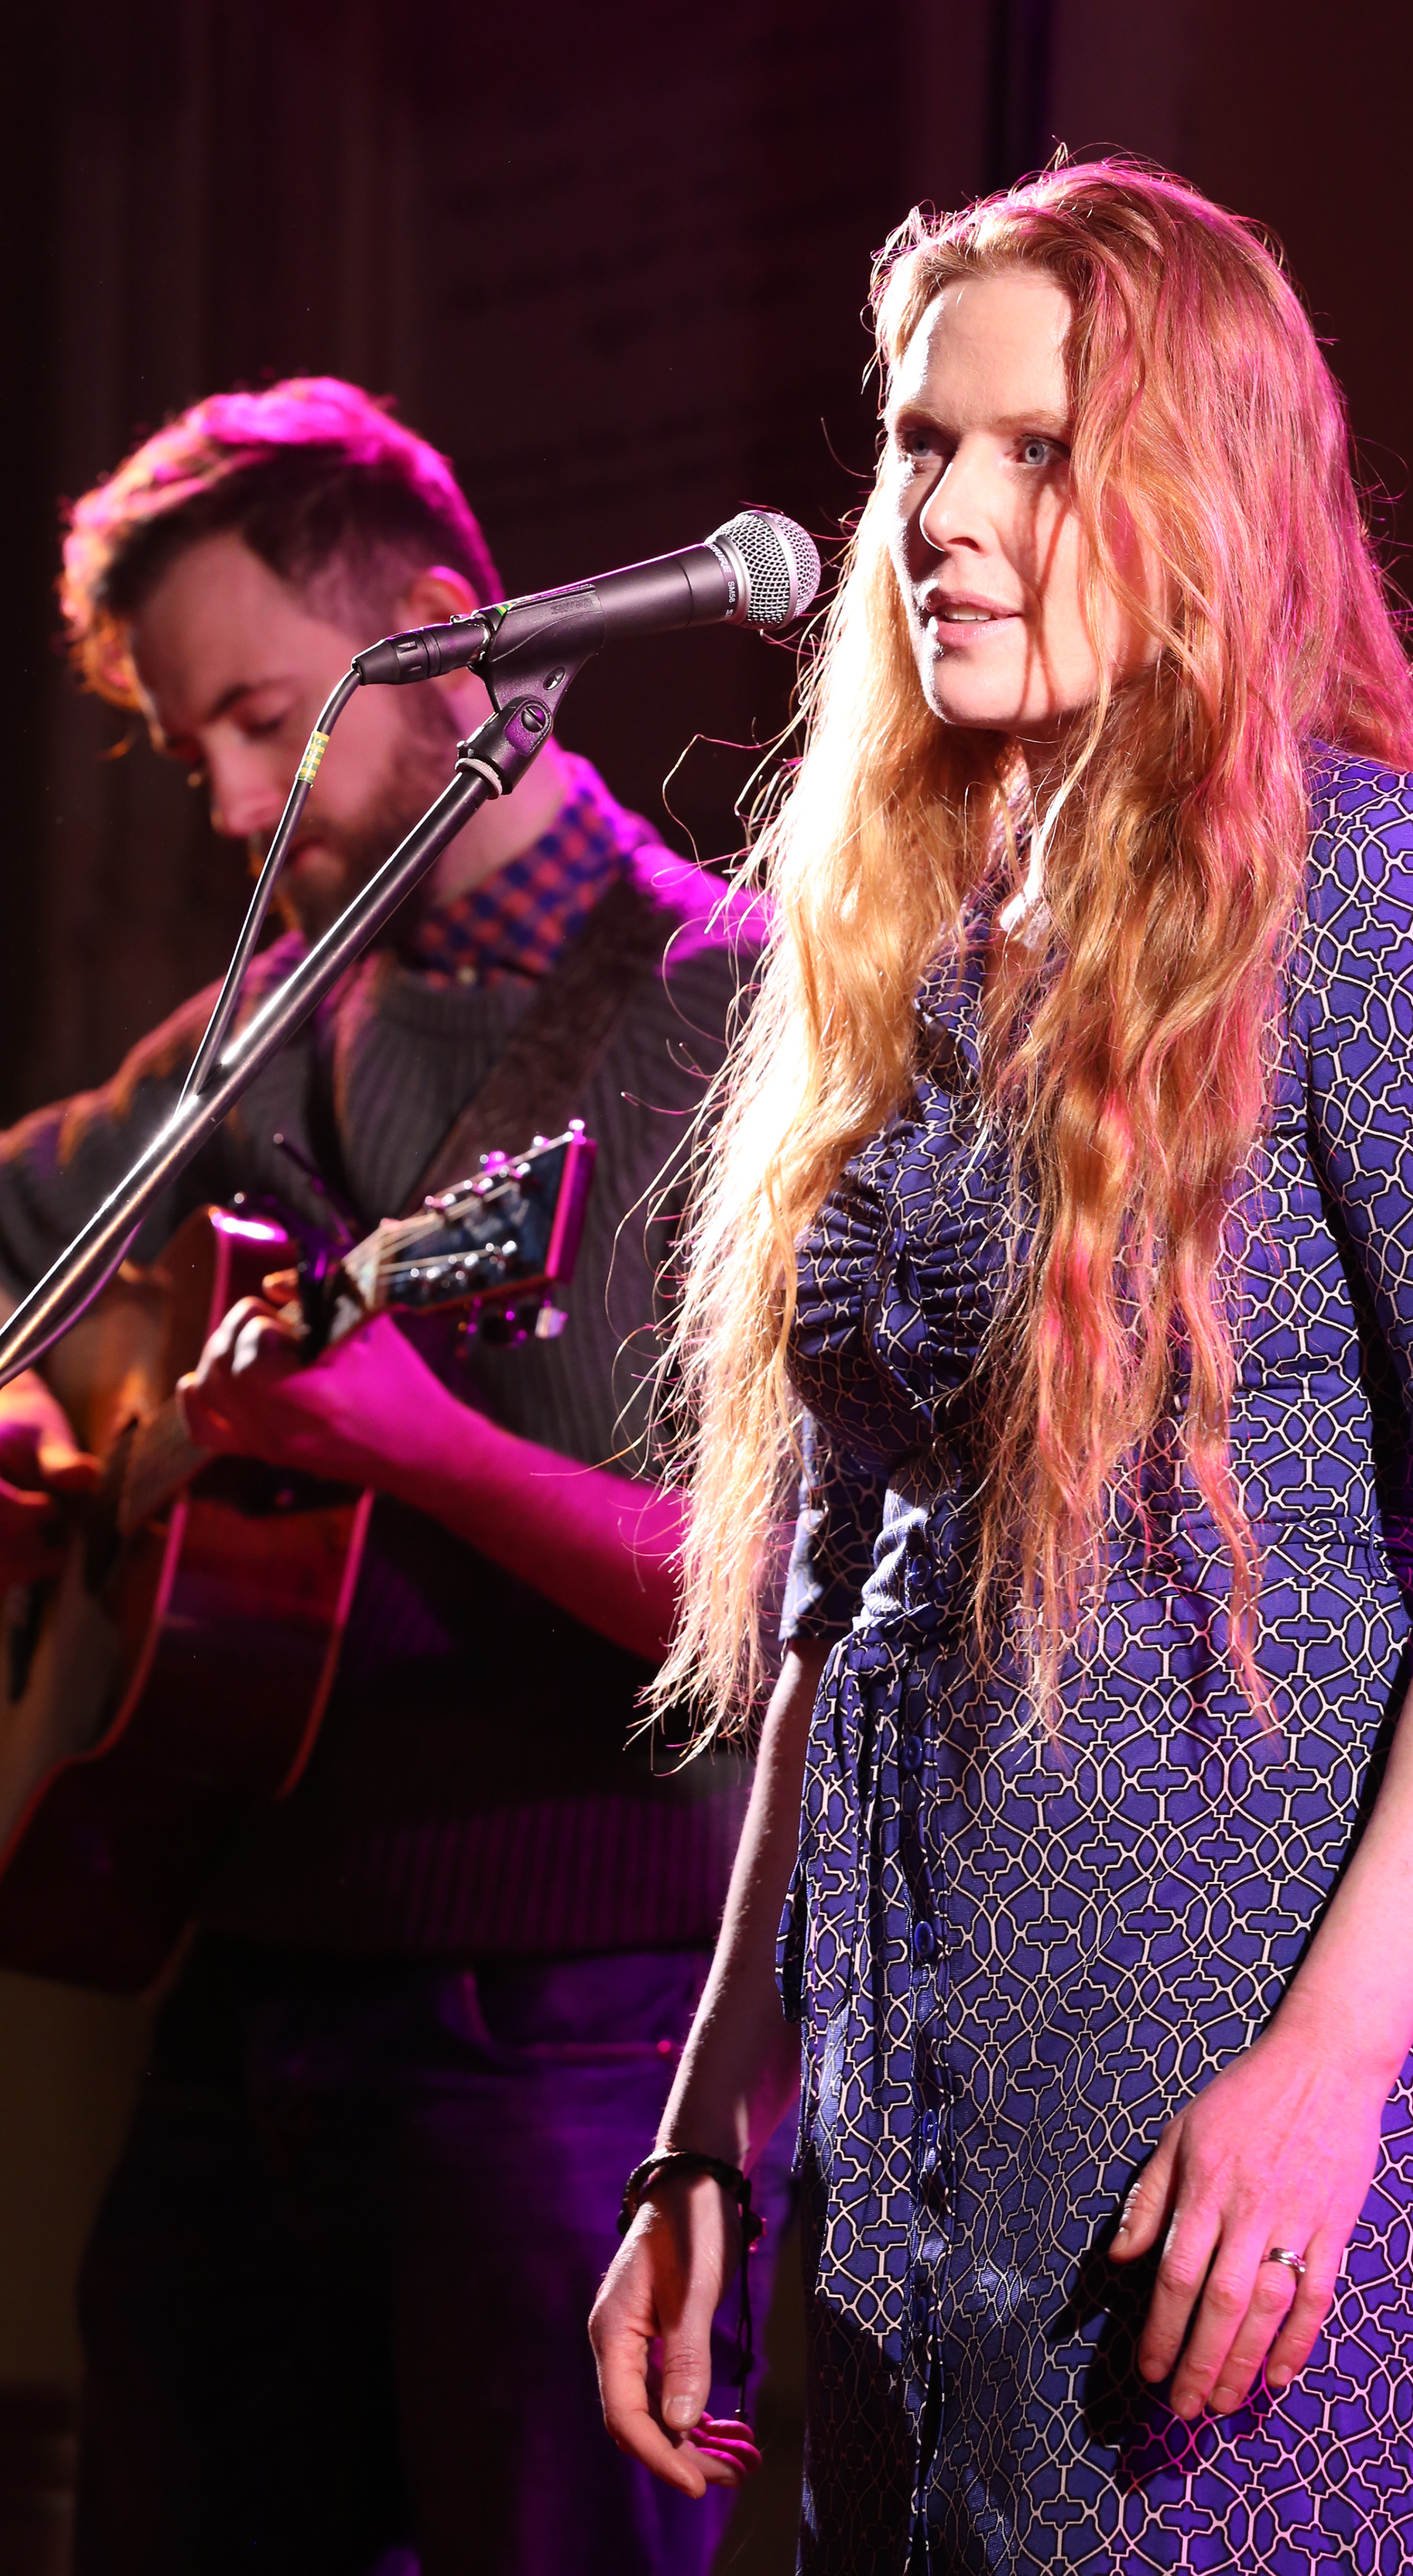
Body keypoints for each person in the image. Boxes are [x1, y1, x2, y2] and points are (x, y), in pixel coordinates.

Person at [588, 163, 1413, 2573]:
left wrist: (1324, 2080)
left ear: (1205, 490)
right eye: (915, 446)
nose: (942, 518)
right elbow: (837, 1605)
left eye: (1034, 451)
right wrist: (708, 2117)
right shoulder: (932, 947)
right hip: (927, 2110)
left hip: (1255, 2109)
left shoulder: (1380, 897)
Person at [0, 379, 787, 2575]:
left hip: (583, 2039)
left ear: (442, 642)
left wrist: (419, 1452)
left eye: (270, 724)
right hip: (251, 1988)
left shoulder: (739, 1018)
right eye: (195, 758)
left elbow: (770, 1607)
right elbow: (16, 1236)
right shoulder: (272, 1029)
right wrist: (48, 1441)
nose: (237, 804)